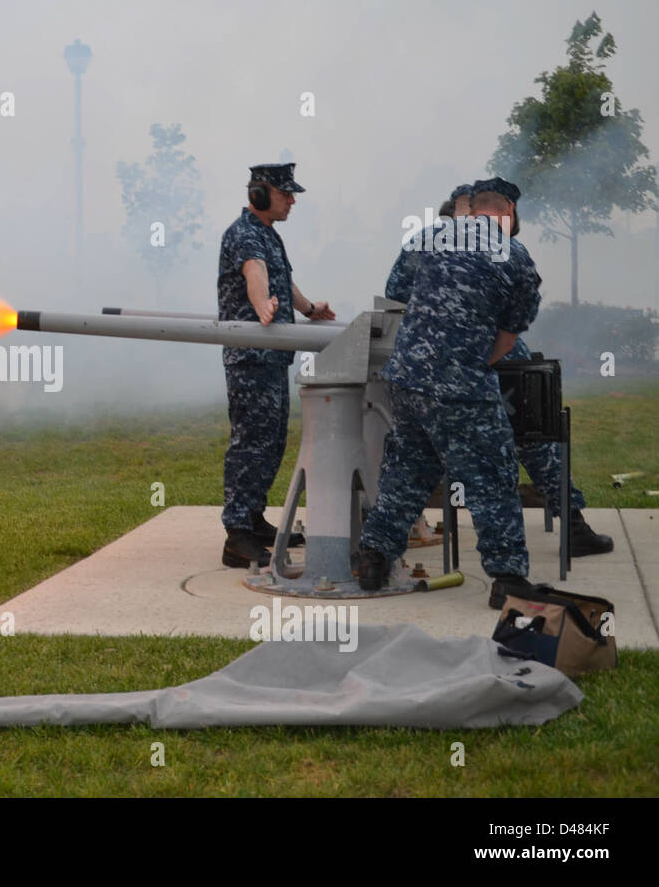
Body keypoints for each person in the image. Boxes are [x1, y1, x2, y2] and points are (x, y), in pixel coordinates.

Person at [383, 183, 612, 558]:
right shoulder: (488, 240)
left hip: (460, 358)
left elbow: (400, 290)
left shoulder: (441, 239)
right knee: (528, 439)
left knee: (531, 437)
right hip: (487, 353)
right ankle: (569, 526)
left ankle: (572, 523)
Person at [359, 178, 540, 595]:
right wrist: (467, 361)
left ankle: (373, 559)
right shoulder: (514, 254)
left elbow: (396, 294)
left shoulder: (427, 236)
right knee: (492, 479)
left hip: (406, 380)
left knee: (406, 472)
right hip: (464, 387)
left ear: (472, 209)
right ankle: (508, 580)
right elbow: (509, 335)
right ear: (508, 213)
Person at [218, 162, 335, 567]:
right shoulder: (244, 235)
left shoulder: (268, 234)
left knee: (270, 442)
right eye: (286, 193)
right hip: (251, 359)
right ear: (259, 195)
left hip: (270, 359)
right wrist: (261, 304)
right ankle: (236, 536)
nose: (292, 200)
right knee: (250, 444)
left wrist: (308, 308)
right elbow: (257, 274)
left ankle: (252, 518)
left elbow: (282, 278)